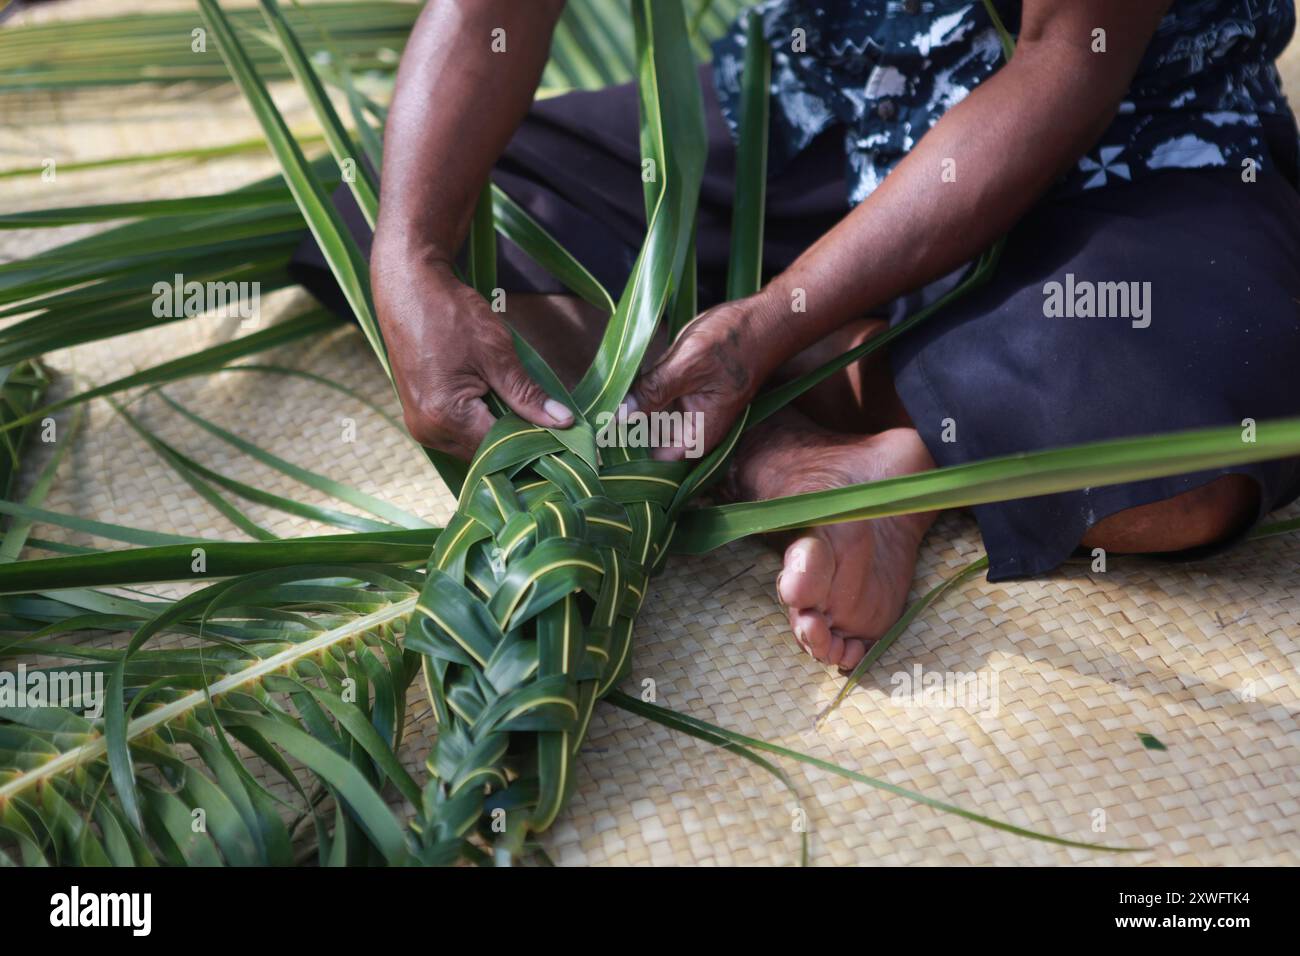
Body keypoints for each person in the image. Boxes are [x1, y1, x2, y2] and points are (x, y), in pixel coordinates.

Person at [294, 0, 1300, 671]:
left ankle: (857, 408)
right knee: (375, 218)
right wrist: (415, 254)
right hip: (815, 106)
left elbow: (1063, 60)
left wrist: (773, 320)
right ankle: (796, 455)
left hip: (1132, 145)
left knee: (1193, 448)